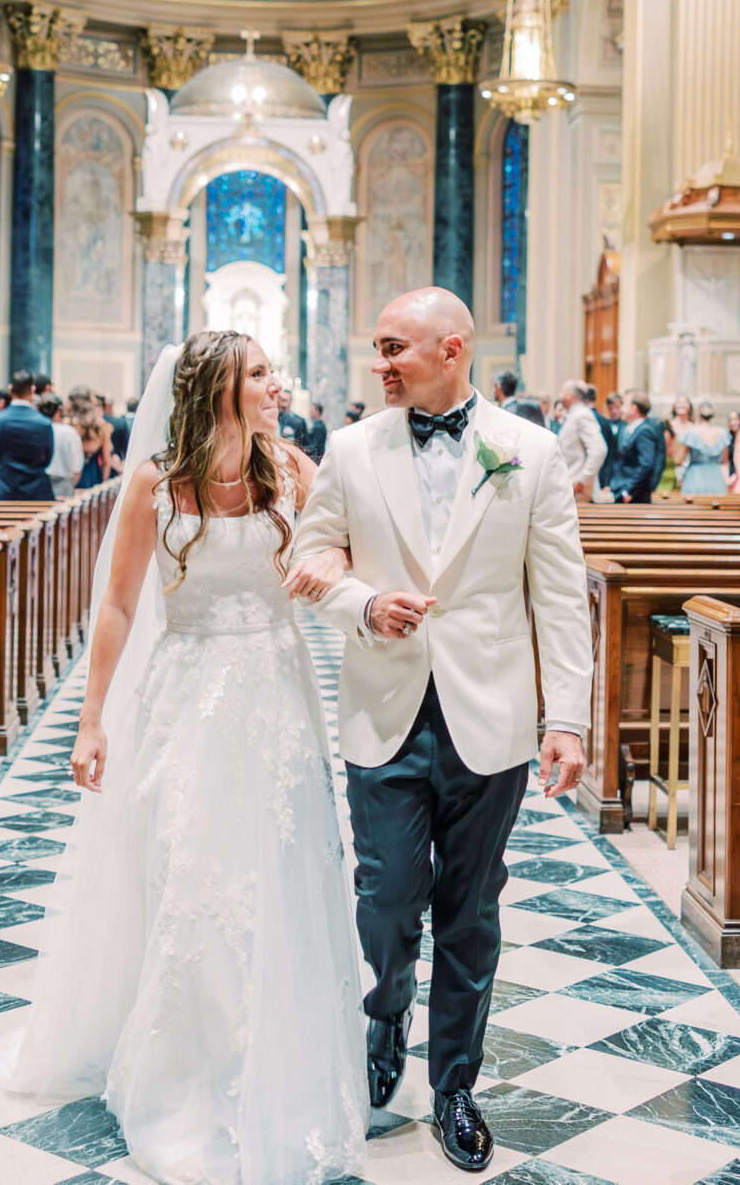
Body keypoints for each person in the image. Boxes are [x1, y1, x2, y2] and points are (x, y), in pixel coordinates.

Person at [3, 330, 364, 1184]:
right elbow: (120, 608)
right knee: (190, 871)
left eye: (276, 370)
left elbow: (339, 558)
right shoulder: (154, 485)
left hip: (276, 691)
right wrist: (92, 721)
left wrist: (336, 574)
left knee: (278, 869)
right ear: (218, 390)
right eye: (262, 374)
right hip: (185, 692)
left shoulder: (294, 473)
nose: (278, 385)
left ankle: (277, 1054)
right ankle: (190, 1068)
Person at [289, 286, 592, 1171]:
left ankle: (455, 1083)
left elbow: (559, 599)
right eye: (379, 347)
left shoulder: (529, 454)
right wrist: (363, 602)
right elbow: (309, 555)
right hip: (383, 708)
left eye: (395, 347)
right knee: (384, 898)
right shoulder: (349, 447)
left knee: (471, 909)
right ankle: (386, 1013)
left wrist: (565, 718)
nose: (380, 362)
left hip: (488, 716)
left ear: (452, 348)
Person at [0, 370, 55, 501]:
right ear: (32, 390)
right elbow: (47, 458)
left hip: (3, 490)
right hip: (36, 491)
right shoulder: (44, 423)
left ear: (10, 390)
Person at [605, 390, 664, 503]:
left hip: (634, 495)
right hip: (622, 489)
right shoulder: (628, 427)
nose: (621, 408)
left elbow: (646, 464)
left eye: (624, 404)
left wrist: (629, 491)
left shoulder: (644, 430)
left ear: (634, 408)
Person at [554, 378, 607, 502]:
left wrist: (583, 480)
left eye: (562, 391)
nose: (559, 394)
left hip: (578, 489)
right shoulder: (574, 414)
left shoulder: (582, 414)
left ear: (570, 395)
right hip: (570, 485)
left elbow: (599, 449)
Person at [680, 401, 732, 495]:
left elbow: (680, 459)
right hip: (717, 478)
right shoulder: (722, 433)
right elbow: (725, 462)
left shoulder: (691, 432)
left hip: (695, 478)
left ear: (698, 415)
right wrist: (727, 481)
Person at [38, 391, 83, 499]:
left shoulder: (36, 429)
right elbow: (76, 467)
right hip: (64, 483)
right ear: (59, 411)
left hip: (39, 484)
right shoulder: (69, 432)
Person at [276, 386, 309, 452]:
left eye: (285, 400)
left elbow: (306, 445)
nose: (283, 403)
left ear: (291, 401)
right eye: (281, 399)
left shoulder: (299, 421)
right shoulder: (272, 419)